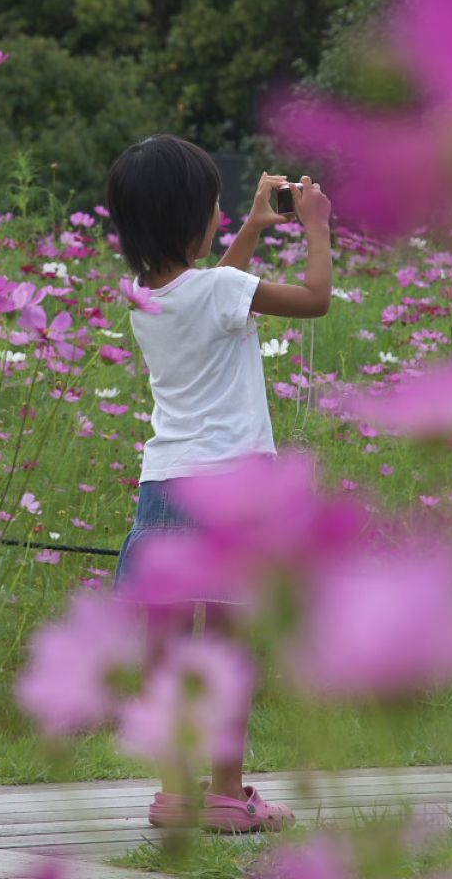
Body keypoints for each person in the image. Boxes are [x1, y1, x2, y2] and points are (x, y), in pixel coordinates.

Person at [106, 134, 332, 832]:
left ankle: (177, 792)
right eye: (214, 207)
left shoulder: (144, 299)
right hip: (235, 490)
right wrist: (315, 225)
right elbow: (316, 298)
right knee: (228, 644)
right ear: (192, 220)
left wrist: (253, 231)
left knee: (169, 649)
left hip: (166, 488)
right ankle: (230, 794)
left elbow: (213, 295)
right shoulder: (221, 290)